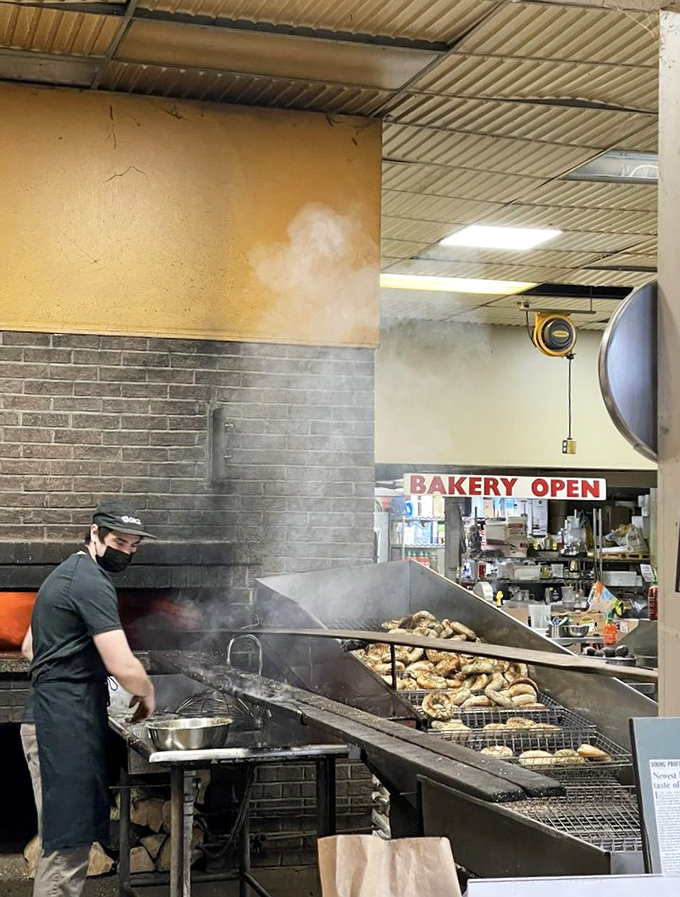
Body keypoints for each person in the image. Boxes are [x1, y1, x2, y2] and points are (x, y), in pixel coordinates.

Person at [20, 499, 157, 897]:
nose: (126, 551)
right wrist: (147, 693)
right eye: (120, 541)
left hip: (54, 719)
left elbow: (31, 646)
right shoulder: (91, 581)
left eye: (133, 546)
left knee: (62, 841)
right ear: (94, 534)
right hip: (60, 727)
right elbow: (122, 662)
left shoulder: (66, 573)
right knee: (67, 846)